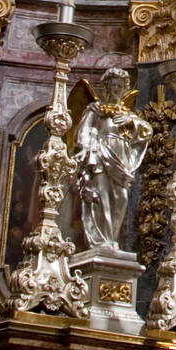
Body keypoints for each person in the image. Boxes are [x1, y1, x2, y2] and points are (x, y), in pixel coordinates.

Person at [72, 68, 152, 252]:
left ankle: (112, 237)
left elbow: (147, 130)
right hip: (100, 156)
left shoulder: (127, 114)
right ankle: (101, 241)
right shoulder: (95, 110)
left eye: (119, 86)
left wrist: (131, 122)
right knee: (100, 195)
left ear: (124, 89)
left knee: (121, 197)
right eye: (112, 85)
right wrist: (89, 148)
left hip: (120, 159)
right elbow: (83, 132)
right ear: (106, 87)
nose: (115, 89)